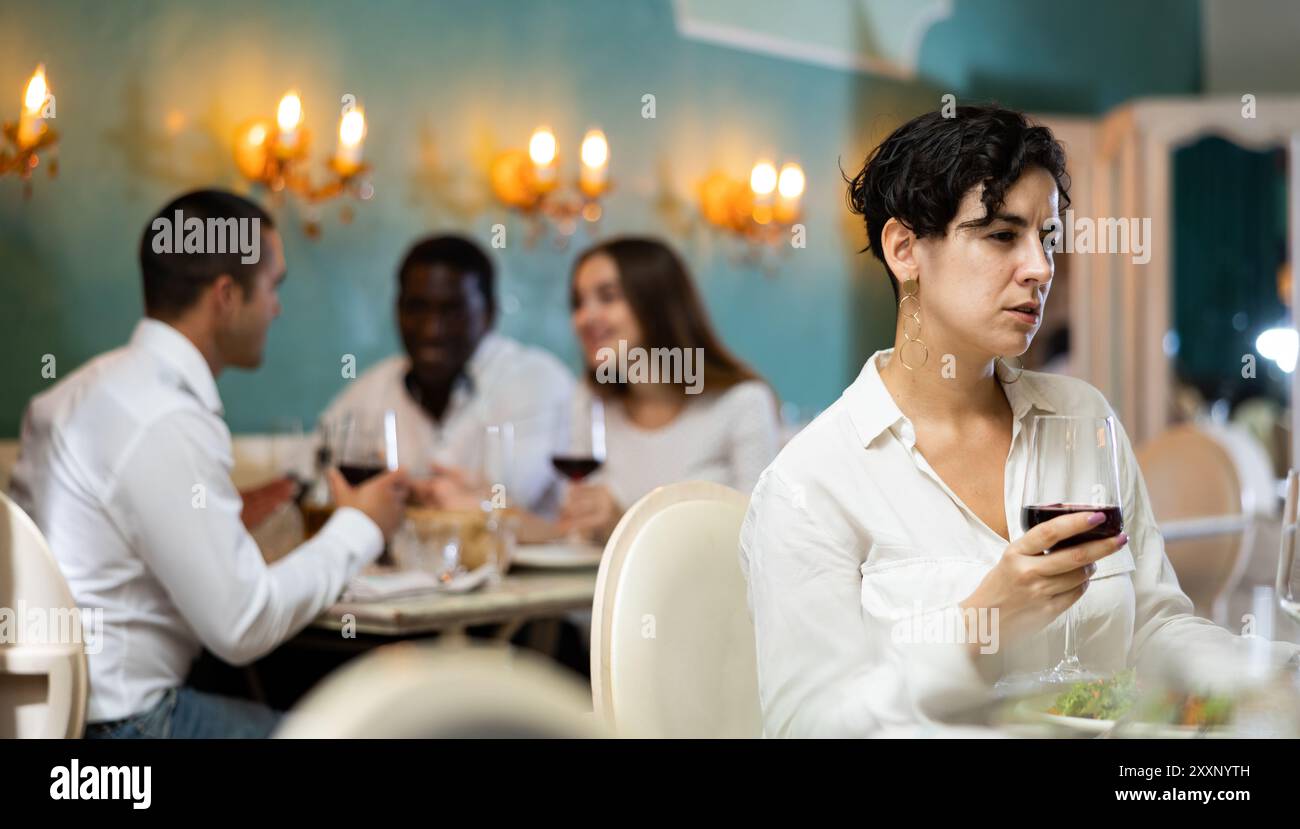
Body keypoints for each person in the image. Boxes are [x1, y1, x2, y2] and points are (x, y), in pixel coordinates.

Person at [739, 105, 1300, 737]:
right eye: (1002, 235)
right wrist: (980, 625)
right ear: (905, 250)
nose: (1040, 268)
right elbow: (807, 728)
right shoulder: (808, 486)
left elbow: (1154, 626)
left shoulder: (1083, 418)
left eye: (1047, 239)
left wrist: (1270, 673)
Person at [9, 189, 410, 738]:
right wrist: (361, 524)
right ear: (226, 296)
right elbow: (241, 622)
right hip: (125, 730)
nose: (278, 307)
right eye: (274, 287)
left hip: (52, 719)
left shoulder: (78, 394)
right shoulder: (163, 418)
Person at [321, 235, 573, 516]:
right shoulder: (372, 389)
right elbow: (319, 471)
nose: (432, 330)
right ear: (397, 309)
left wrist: (407, 491)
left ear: (489, 313)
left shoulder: (536, 381)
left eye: (452, 311)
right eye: (417, 308)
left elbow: (513, 497)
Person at [559, 237, 780, 543]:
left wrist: (622, 527)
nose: (584, 317)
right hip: (601, 590)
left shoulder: (742, 402)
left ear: (656, 303)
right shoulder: (591, 399)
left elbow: (760, 541)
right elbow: (576, 534)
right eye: (578, 302)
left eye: (607, 297)